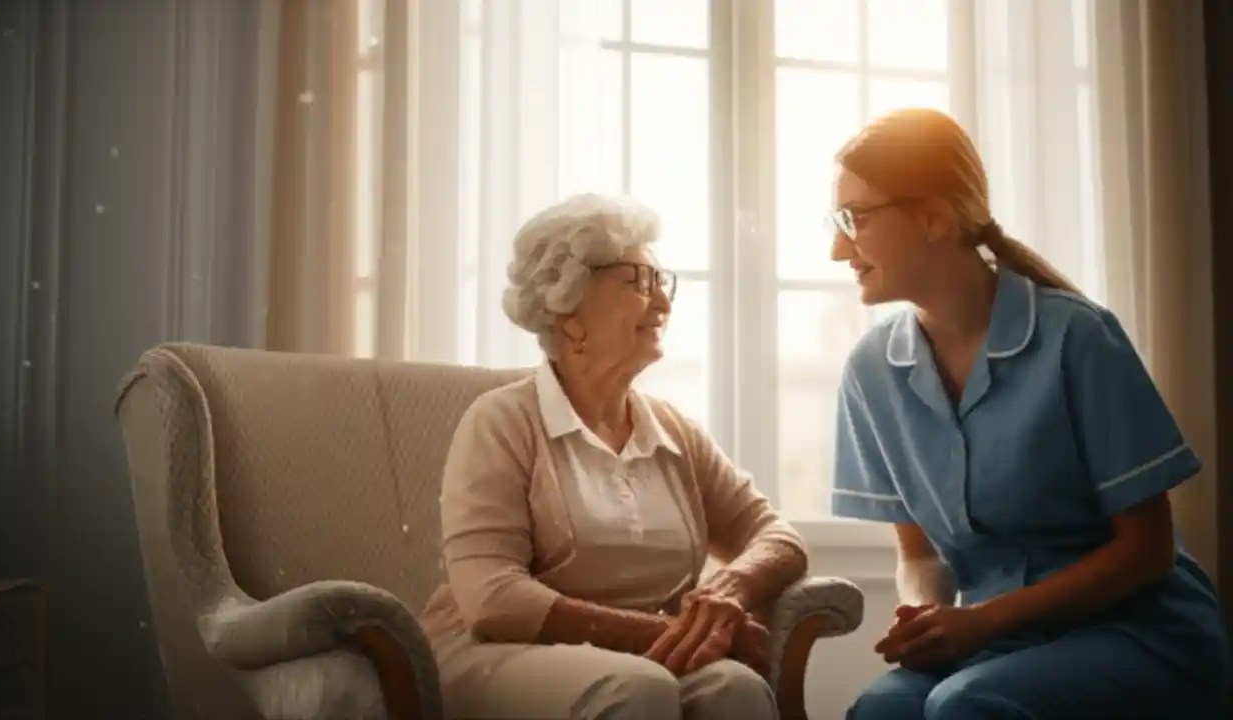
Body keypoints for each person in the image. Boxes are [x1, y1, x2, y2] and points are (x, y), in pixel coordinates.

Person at [828, 108, 1229, 719]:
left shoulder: (1077, 337)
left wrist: (984, 620)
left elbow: (1148, 550)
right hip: (999, 642)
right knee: (882, 711)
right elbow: (919, 554)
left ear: (933, 217)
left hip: (1140, 636)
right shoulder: (870, 370)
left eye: (854, 220)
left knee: (968, 703)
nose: (837, 248)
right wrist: (925, 615)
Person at [419, 193, 808, 719]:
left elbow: (778, 537)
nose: (664, 303)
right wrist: (668, 632)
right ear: (568, 309)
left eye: (662, 282)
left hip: (641, 656)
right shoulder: (501, 422)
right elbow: (493, 601)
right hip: (497, 655)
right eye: (640, 281)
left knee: (733, 690)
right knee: (637, 688)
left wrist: (727, 594)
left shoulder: (672, 430)